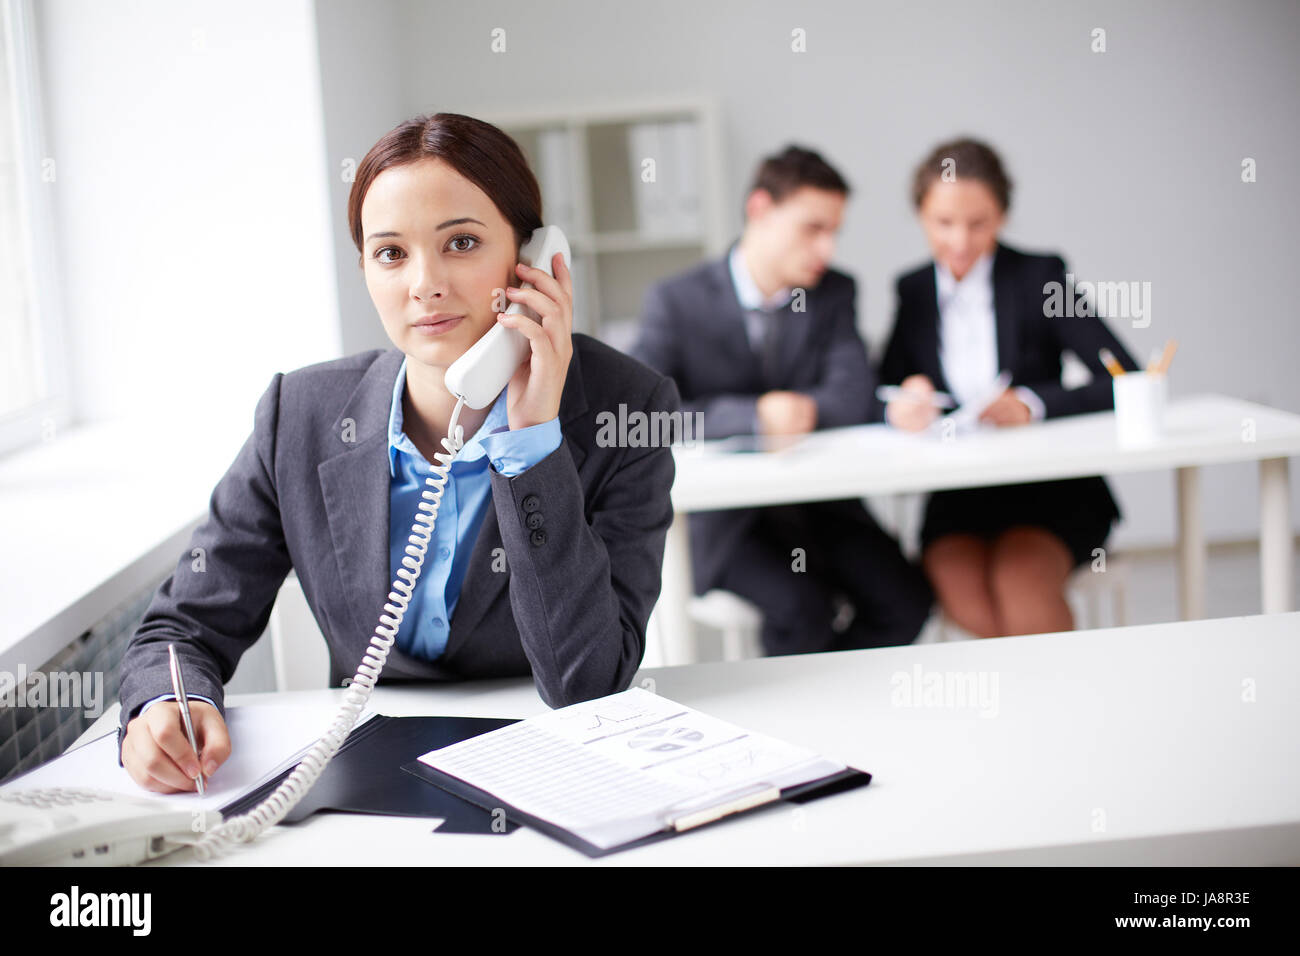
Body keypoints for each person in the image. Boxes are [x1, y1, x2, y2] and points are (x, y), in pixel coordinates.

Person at [118, 113, 679, 793]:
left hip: (552, 778)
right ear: (365, 269)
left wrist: (530, 441)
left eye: (462, 242)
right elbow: (184, 626)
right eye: (391, 253)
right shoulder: (299, 416)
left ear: (532, 259)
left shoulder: (629, 408)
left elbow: (587, 687)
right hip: (364, 783)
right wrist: (166, 706)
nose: (424, 284)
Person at [631, 145, 933, 656]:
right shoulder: (676, 300)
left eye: (834, 232)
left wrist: (806, 411)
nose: (826, 249)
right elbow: (643, 415)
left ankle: (835, 704)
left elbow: (854, 391)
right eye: (812, 228)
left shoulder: (834, 292)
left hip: (822, 506)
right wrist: (752, 417)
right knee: (802, 606)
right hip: (728, 523)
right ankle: (800, 722)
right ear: (759, 211)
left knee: (906, 600)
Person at [879, 137, 1140, 639]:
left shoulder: (1040, 276)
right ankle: (1035, 705)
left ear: (1003, 215)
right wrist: (903, 400)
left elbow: (1123, 376)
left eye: (978, 223)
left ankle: (1049, 706)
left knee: (1020, 582)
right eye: (943, 223)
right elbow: (878, 388)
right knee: (961, 588)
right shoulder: (912, 291)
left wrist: (1032, 403)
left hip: (1054, 488)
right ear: (920, 216)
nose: (959, 242)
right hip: (959, 496)